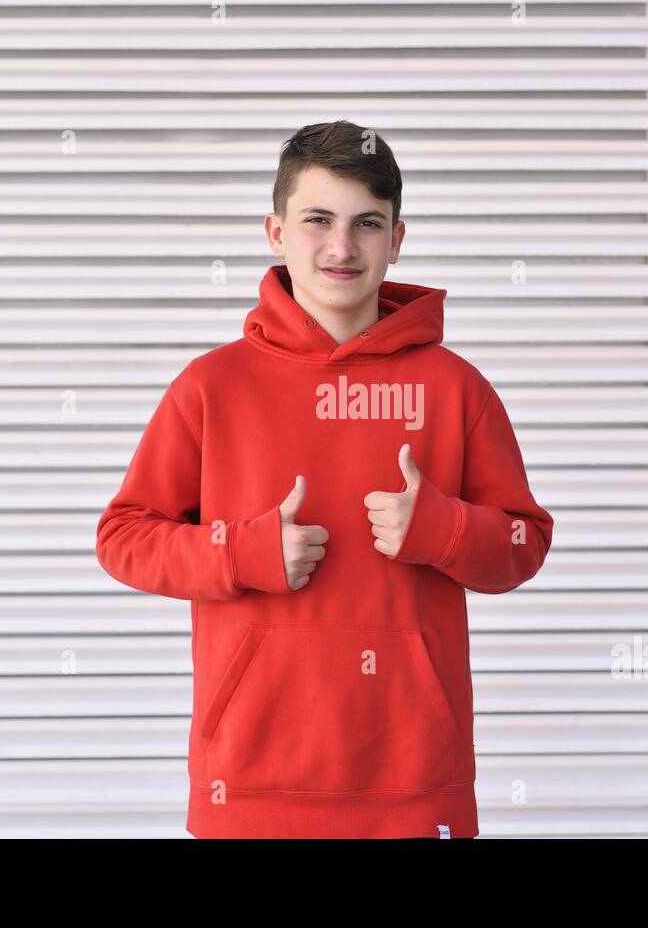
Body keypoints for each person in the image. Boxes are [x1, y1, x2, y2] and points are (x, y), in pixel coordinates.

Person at [95, 120, 554, 838]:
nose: (342, 248)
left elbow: (524, 542)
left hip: (413, 788)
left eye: (367, 224)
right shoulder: (210, 387)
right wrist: (241, 550)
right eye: (318, 220)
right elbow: (123, 537)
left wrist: (443, 527)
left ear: (397, 240)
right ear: (276, 231)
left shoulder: (457, 389)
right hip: (247, 786)